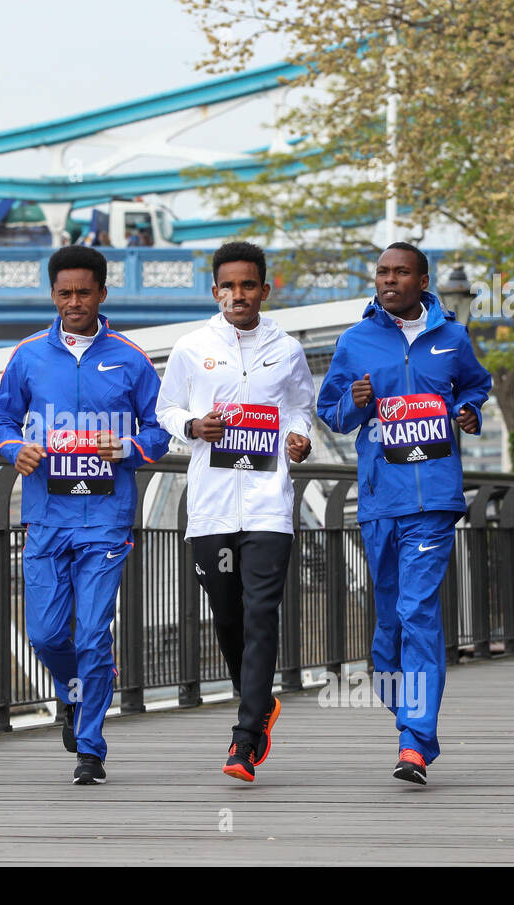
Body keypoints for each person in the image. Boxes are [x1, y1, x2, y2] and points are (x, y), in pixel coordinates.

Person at [0, 245, 169, 785]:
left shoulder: (131, 358)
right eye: (64, 293)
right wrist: (12, 448)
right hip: (46, 515)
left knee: (93, 633)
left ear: (102, 294)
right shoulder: (26, 356)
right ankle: (77, 692)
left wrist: (132, 447)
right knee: (45, 636)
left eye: (83, 292)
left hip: (106, 518)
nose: (73, 302)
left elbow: (162, 429)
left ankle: (90, 748)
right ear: (53, 295)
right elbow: (0, 418)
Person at [317, 242, 491, 785]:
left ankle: (414, 741)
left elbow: (475, 386)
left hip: (434, 501)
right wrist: (357, 401)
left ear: (423, 281)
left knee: (418, 611)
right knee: (389, 625)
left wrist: (467, 411)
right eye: (382, 273)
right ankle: (408, 712)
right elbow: (332, 412)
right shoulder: (355, 341)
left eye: (400, 274)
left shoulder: (452, 337)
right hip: (379, 501)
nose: (389, 281)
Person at [156, 241, 316, 781]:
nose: (238, 294)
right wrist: (192, 426)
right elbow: (165, 408)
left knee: (260, 614)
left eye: (248, 285)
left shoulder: (287, 348)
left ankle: (245, 737)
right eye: (228, 286)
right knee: (227, 615)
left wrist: (297, 437)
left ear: (264, 291)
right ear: (215, 291)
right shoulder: (191, 346)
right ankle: (259, 700)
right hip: (213, 508)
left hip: (269, 505)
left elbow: (299, 406)